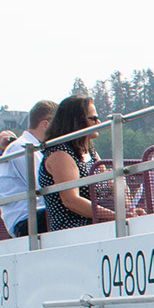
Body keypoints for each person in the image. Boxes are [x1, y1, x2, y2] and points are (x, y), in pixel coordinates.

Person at [38, 95, 103, 233]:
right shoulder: (60, 154)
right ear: (77, 121)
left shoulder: (91, 152)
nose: (99, 122)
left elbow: (111, 184)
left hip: (98, 226)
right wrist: (115, 216)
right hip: (72, 231)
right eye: (93, 118)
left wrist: (129, 209)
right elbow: (71, 200)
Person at [0, 103, 55, 236]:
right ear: (45, 124)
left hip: (39, 214)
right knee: (74, 210)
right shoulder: (20, 148)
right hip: (25, 220)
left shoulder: (35, 148)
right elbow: (44, 185)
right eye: (59, 124)